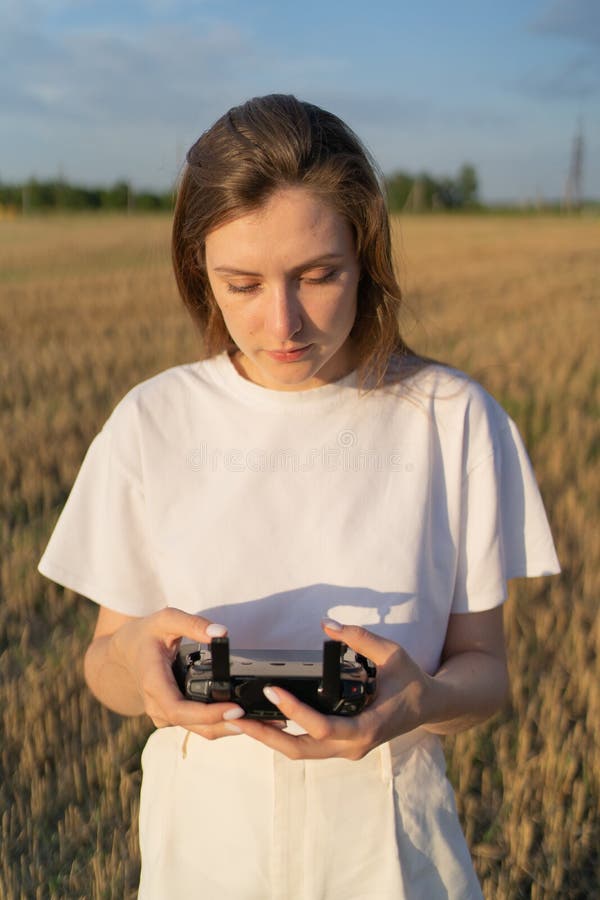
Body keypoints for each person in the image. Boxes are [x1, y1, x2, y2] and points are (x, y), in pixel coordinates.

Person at [38, 94, 560, 899]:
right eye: (241, 283)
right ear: (196, 270)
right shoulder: (154, 420)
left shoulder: (452, 419)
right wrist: (135, 668)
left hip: (393, 854)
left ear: (369, 255)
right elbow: (105, 663)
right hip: (205, 856)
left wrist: (421, 701)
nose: (282, 322)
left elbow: (484, 671)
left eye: (319, 276)